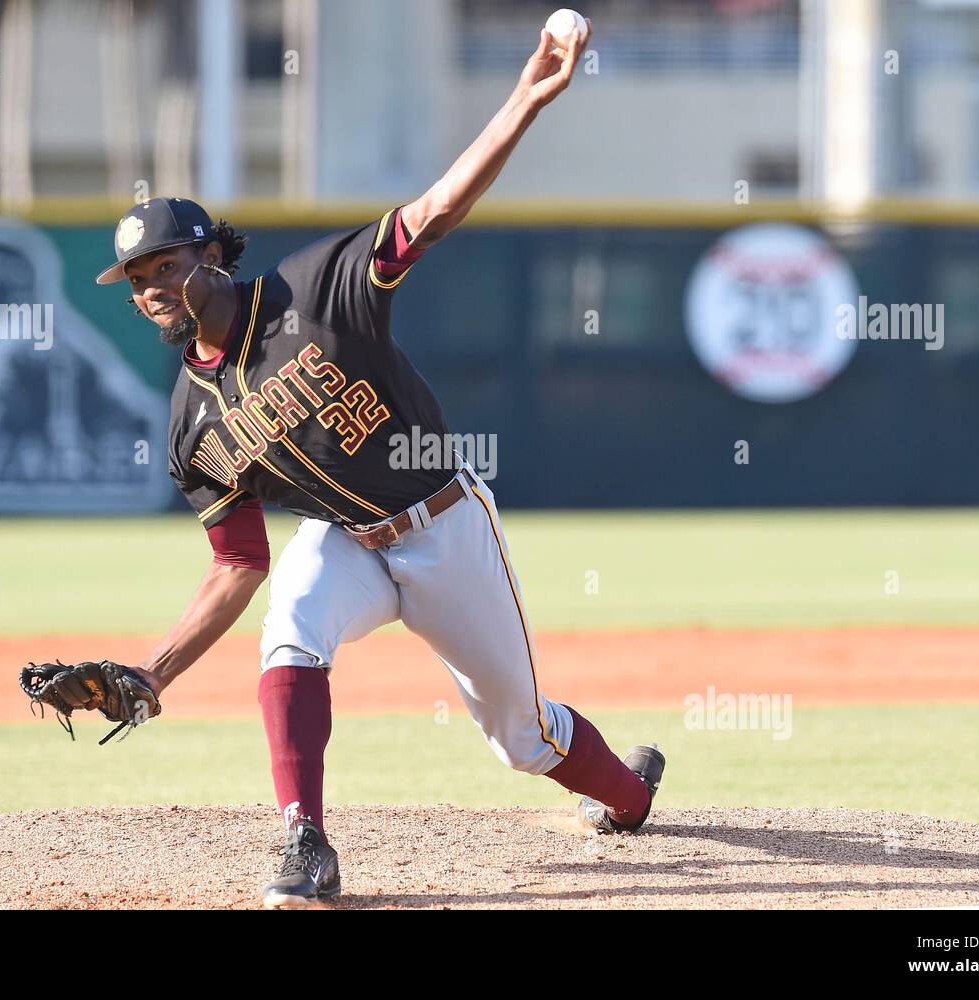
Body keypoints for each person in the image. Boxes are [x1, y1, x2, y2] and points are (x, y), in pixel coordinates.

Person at [95, 18, 664, 908]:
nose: (149, 289)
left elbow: (435, 210)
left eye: (162, 265)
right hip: (344, 539)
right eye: (134, 279)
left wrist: (524, 99)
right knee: (289, 628)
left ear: (210, 255)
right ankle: (306, 841)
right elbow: (238, 562)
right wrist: (154, 672)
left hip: (443, 526)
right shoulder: (188, 423)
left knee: (521, 738)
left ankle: (629, 797)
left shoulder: (314, 290)